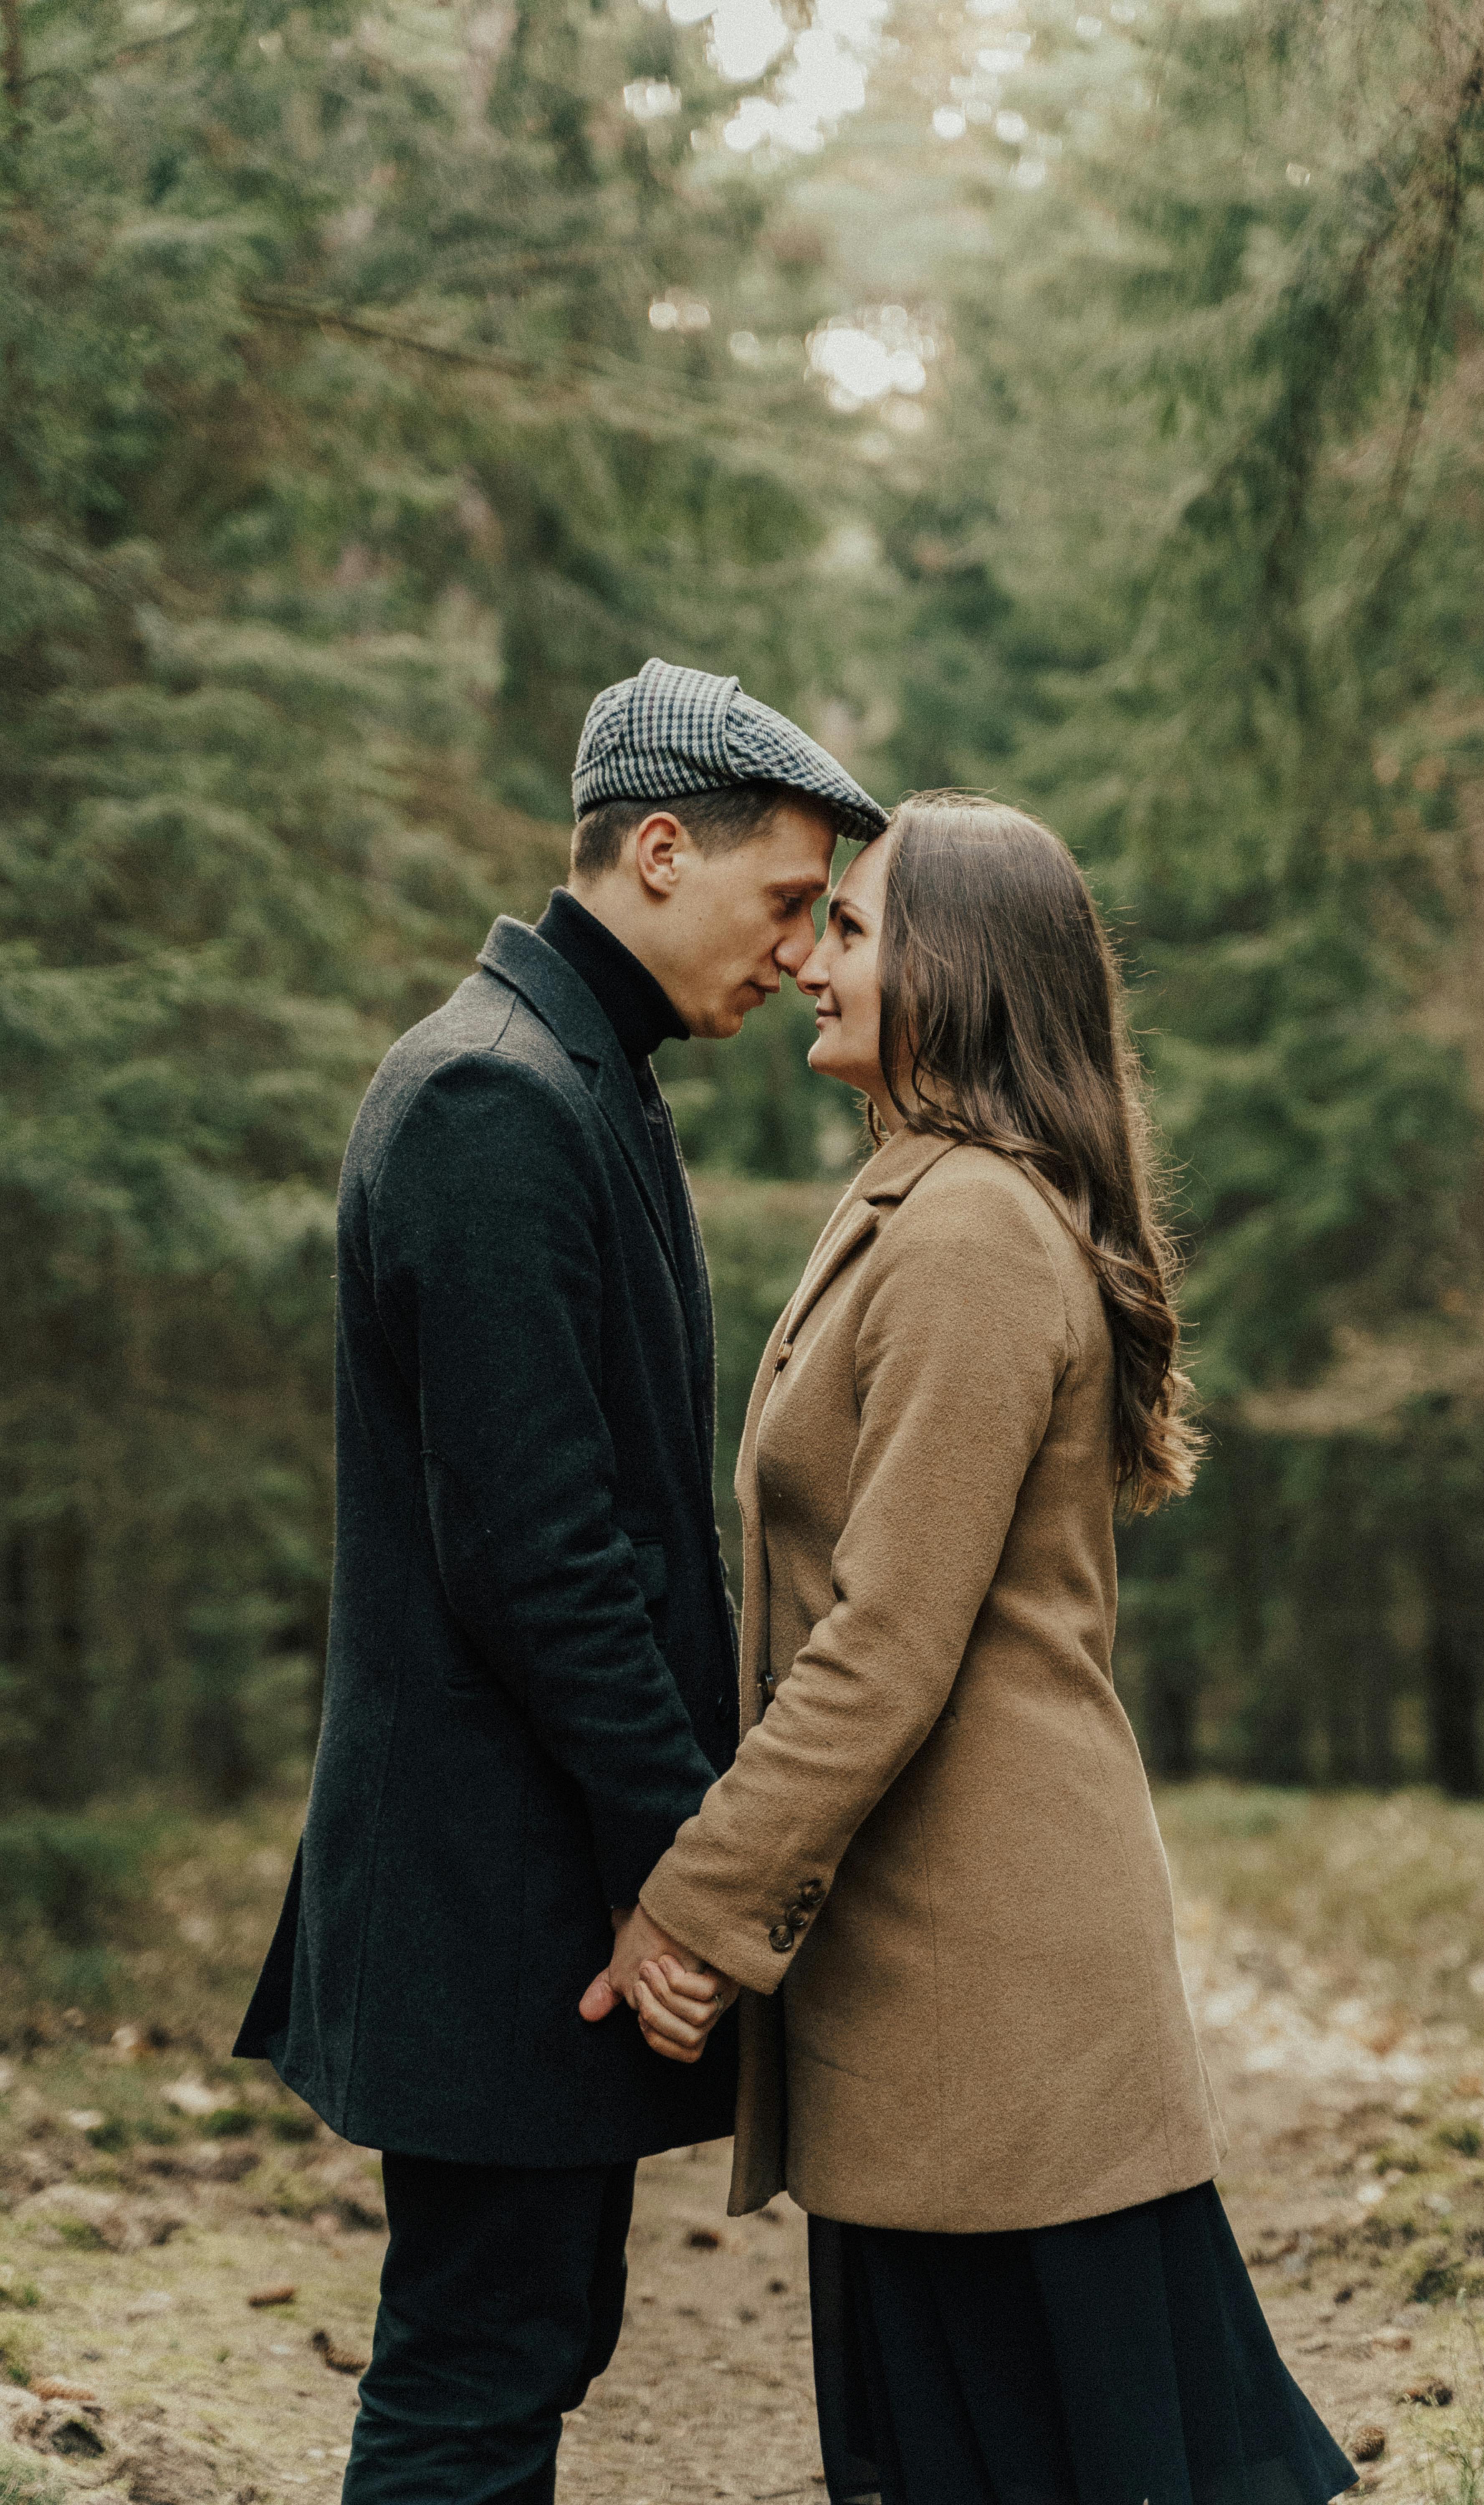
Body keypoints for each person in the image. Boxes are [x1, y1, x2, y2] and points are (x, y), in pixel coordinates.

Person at [587, 795, 1358, 2505]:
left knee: (1074, 2456)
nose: (810, 961)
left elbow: (884, 1645)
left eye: (854, 930)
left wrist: (696, 1905)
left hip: (996, 1975)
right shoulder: (916, 1197)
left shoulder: (971, 1233)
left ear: (962, 970)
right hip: (928, 1959)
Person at [233, 658, 887, 2504]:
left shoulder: (574, 1071)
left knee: (526, 2341)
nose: (798, 952)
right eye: (787, 900)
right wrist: (685, 1873)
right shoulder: (491, 1098)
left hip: (523, 1876)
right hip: (491, 1887)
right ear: (660, 851)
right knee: (477, 2371)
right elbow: (544, 1560)